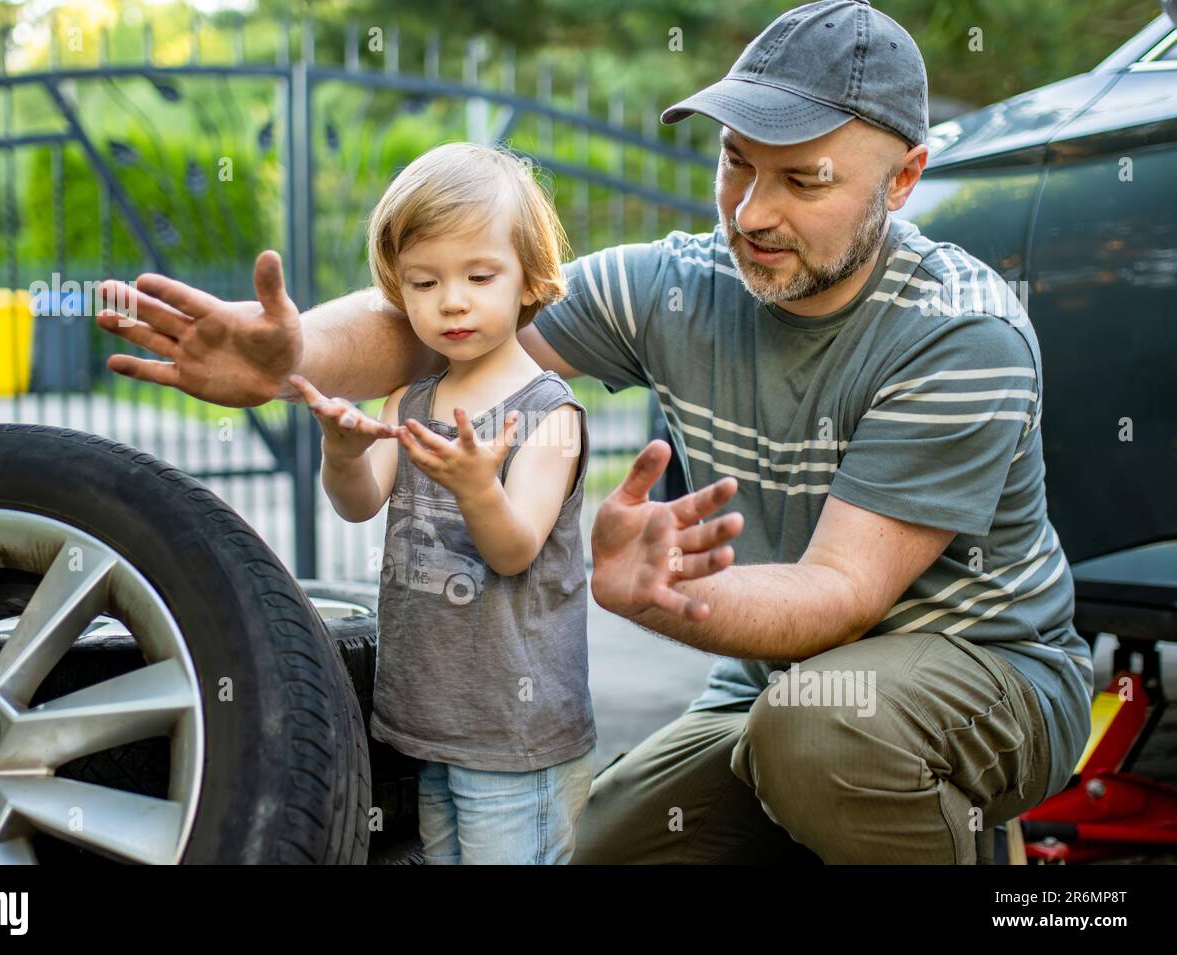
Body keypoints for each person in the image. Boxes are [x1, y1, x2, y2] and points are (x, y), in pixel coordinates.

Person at [96, 1, 1092, 864]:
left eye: (803, 181)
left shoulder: (959, 336)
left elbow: (837, 595)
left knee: (818, 741)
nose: (750, 212)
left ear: (904, 178)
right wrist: (292, 355)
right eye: (735, 165)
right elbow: (459, 323)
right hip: (774, 685)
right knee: (603, 843)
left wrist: (666, 596)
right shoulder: (681, 282)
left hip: (980, 668)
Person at [289, 142, 617, 864]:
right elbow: (359, 501)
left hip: (516, 733)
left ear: (529, 277)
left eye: (479, 274)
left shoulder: (548, 415)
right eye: (424, 281)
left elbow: (515, 548)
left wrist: (476, 486)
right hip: (430, 719)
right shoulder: (411, 397)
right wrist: (342, 454)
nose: (453, 300)